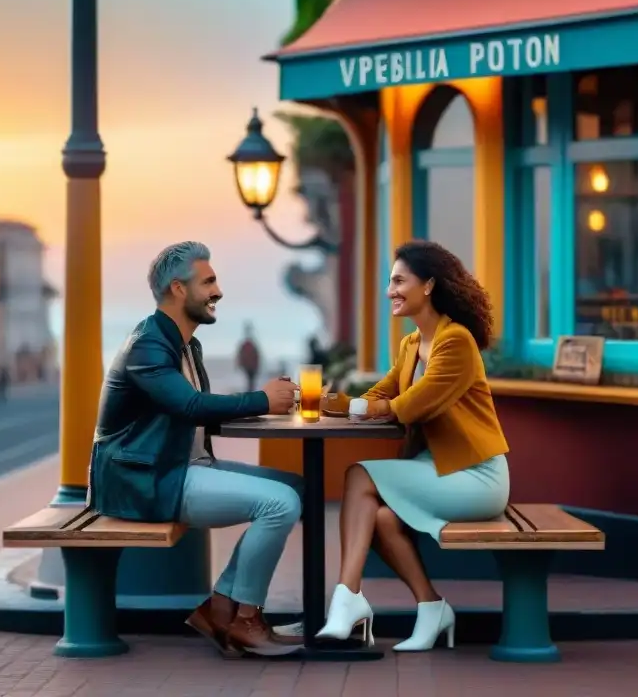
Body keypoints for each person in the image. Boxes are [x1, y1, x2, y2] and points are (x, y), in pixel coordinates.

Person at [88, 241, 304, 659]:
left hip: (178, 468)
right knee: (279, 504)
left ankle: (220, 608)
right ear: (178, 289)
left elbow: (195, 411)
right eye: (208, 282)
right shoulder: (148, 346)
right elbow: (189, 406)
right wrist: (262, 400)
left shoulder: (186, 343)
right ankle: (242, 620)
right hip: (145, 481)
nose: (218, 291)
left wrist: (269, 406)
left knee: (296, 487)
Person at [317, 240, 510, 652]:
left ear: (429, 286)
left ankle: (346, 597)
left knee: (359, 475)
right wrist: (328, 402)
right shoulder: (410, 345)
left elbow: (410, 405)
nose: (391, 290)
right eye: (390, 281)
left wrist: (357, 407)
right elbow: (378, 395)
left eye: (399, 281)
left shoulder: (455, 343)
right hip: (436, 468)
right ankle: (431, 606)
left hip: (476, 476)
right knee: (383, 520)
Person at [235, 322, 260, 392]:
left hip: (251, 366)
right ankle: (250, 391)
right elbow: (241, 355)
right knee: (250, 381)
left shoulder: (249, 345)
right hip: (249, 366)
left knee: (250, 381)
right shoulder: (248, 345)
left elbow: (256, 356)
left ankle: (250, 391)